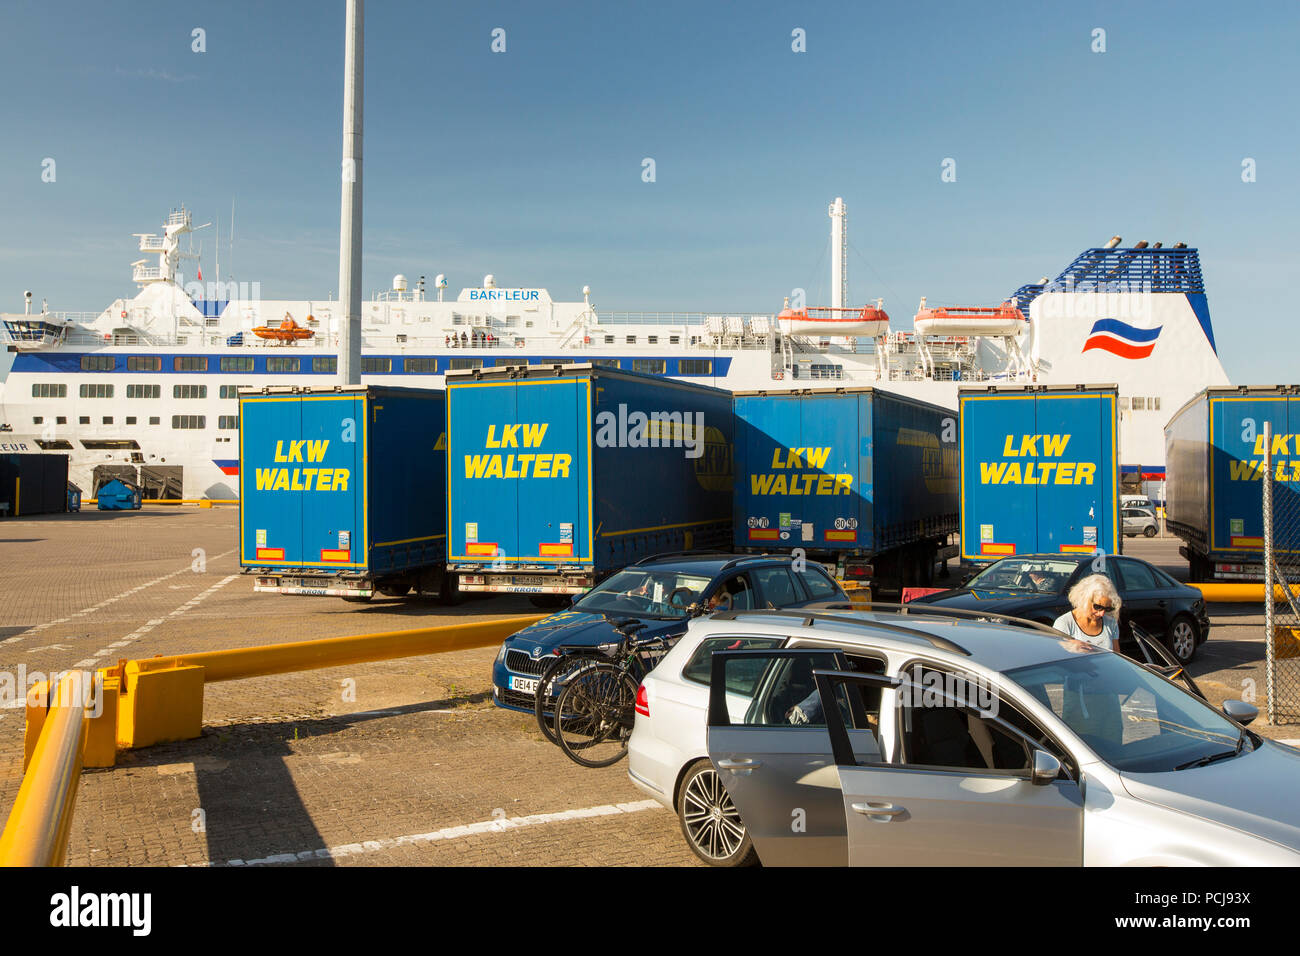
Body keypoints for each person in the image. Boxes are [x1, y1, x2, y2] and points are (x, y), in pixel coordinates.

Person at [1053, 574, 1121, 651]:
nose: (1102, 613)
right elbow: (1057, 655)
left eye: (1107, 608)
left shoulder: (1111, 623)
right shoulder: (1064, 623)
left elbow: (1116, 656)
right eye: (1098, 607)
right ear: (1084, 598)